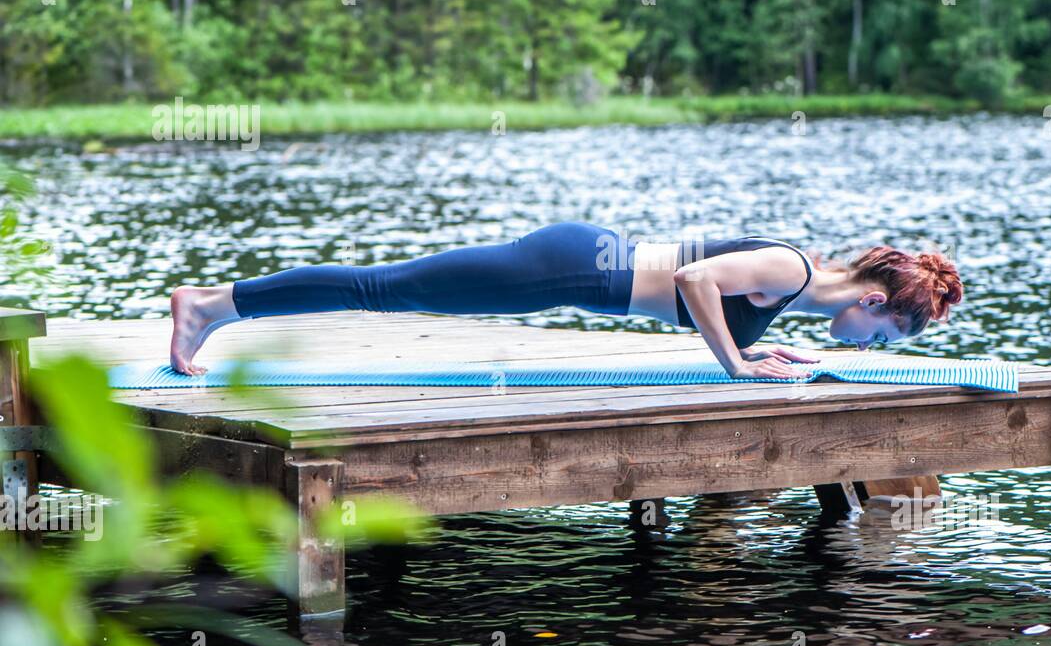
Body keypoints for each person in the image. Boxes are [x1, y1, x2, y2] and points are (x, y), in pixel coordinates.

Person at [167, 221, 963, 379]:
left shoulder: (792, 279)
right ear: (871, 295)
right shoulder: (793, 269)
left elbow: (707, 287)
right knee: (386, 287)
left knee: (394, 289)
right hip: (569, 267)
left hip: (579, 269)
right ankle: (209, 307)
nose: (865, 344)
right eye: (882, 330)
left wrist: (747, 348)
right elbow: (691, 282)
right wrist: (736, 370)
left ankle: (215, 308)